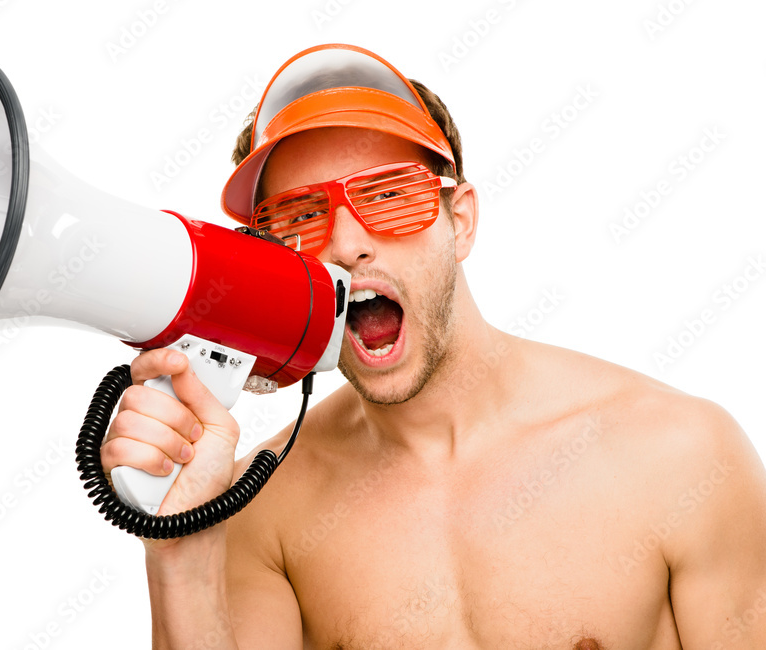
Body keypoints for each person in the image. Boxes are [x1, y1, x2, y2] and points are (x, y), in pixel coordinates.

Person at [101, 44, 766, 649]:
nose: (345, 243)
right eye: (301, 217)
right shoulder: (261, 507)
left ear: (462, 221)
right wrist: (178, 546)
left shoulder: (679, 455)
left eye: (389, 198)